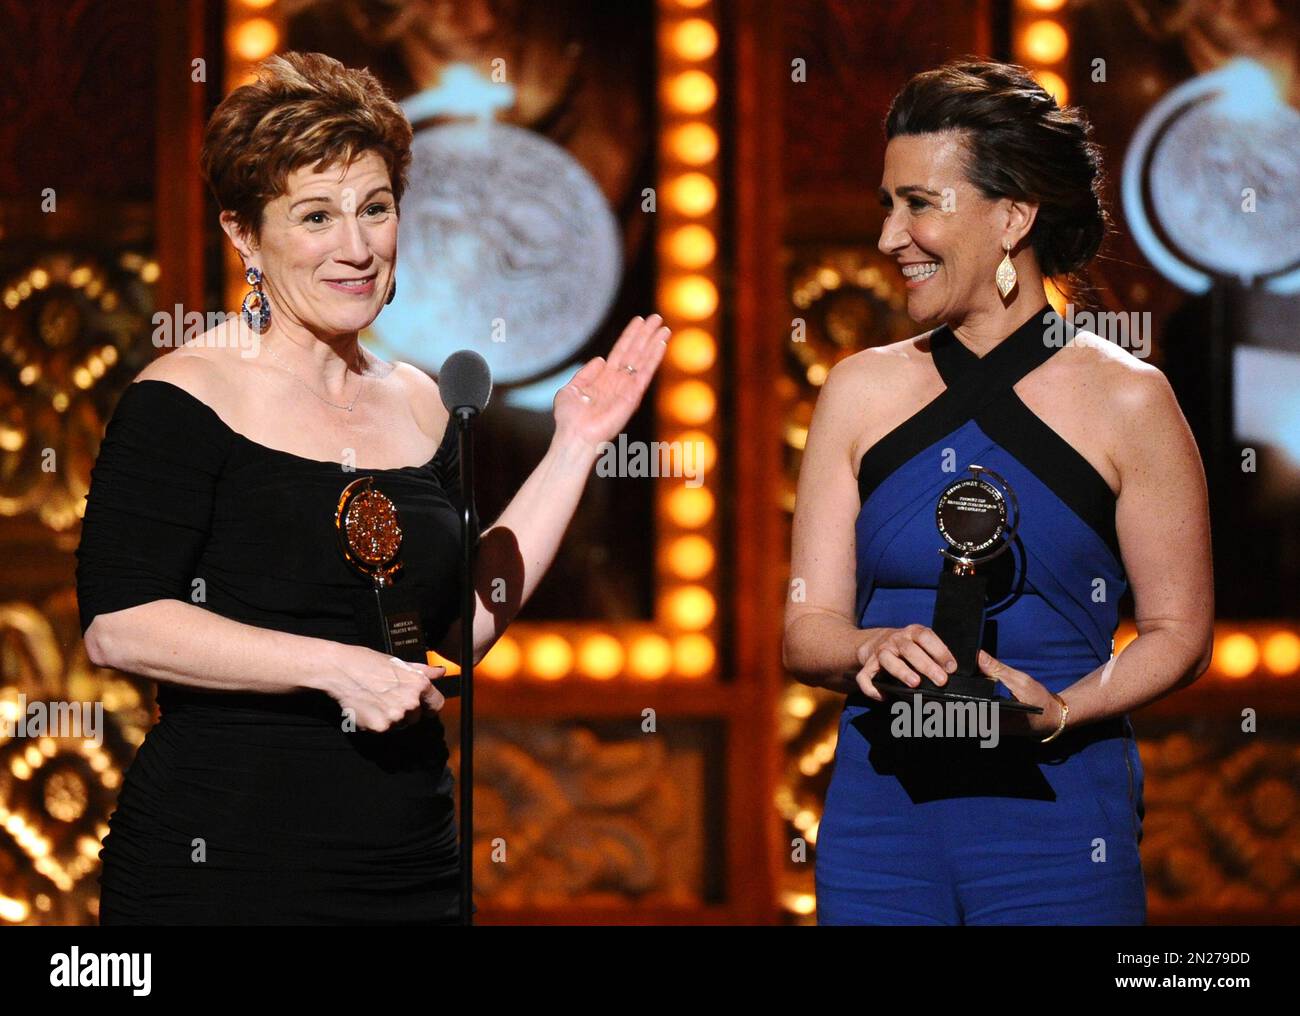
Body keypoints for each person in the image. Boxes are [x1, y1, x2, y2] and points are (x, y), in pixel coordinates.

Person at [75, 51, 669, 925]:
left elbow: (459, 630)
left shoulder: (425, 401)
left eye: (376, 209)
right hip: (225, 860)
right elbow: (120, 626)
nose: (356, 248)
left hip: (407, 858)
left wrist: (575, 450)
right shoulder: (185, 396)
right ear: (244, 233)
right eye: (316, 216)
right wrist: (335, 670)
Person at [782, 59, 1213, 925]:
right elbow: (805, 630)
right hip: (881, 828)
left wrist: (1061, 712)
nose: (887, 238)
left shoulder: (1132, 400)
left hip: (1059, 826)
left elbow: (1181, 635)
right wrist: (868, 648)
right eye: (885, 204)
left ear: (1013, 216)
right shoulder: (857, 390)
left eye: (920, 204)